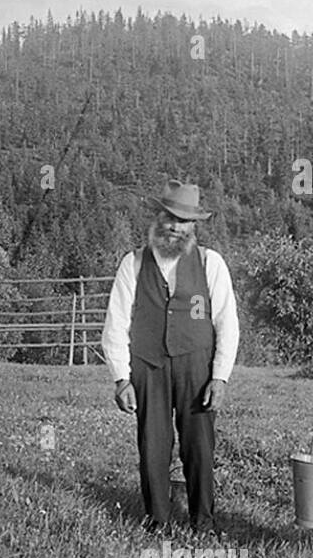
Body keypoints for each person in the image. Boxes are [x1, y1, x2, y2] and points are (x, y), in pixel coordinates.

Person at [101, 180, 239, 535]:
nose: (176, 227)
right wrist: (121, 378)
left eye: (185, 221)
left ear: (194, 227)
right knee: (153, 446)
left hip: (196, 366)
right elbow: (115, 324)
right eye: (170, 217)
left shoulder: (211, 263)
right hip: (149, 366)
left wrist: (219, 377)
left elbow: (228, 324)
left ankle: (203, 522)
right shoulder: (132, 263)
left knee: (199, 447)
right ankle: (157, 520)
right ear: (158, 217)